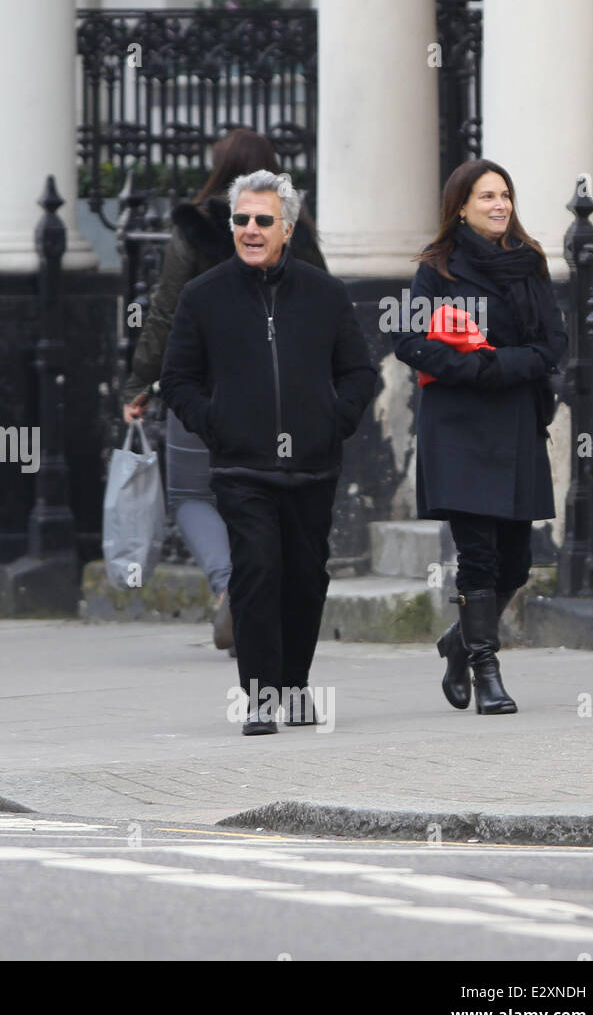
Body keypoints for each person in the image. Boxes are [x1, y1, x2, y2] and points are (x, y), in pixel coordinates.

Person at [160, 170, 376, 735]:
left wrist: (335, 420)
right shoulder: (203, 296)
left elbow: (358, 371)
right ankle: (258, 697)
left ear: (287, 228)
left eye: (263, 220)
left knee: (305, 578)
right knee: (256, 572)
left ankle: (296, 686)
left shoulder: (325, 293)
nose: (250, 230)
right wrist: (219, 424)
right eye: (241, 220)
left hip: (312, 464)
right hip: (241, 465)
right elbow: (177, 378)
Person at [122, 129, 327, 653]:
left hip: (203, 387)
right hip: (278, 393)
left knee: (192, 494)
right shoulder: (292, 227)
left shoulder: (195, 226)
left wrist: (140, 382)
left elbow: (165, 308)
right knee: (265, 493)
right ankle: (255, 593)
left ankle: (229, 584)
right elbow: (321, 306)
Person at [392, 159, 567, 715]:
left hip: (516, 421)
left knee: (516, 564)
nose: (499, 205)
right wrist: (475, 370)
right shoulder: (437, 267)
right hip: (459, 427)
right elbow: (410, 340)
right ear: (461, 206)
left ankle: (458, 641)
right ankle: (487, 669)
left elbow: (552, 346)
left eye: (505, 195)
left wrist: (501, 366)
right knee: (478, 555)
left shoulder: (529, 262)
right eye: (487, 196)